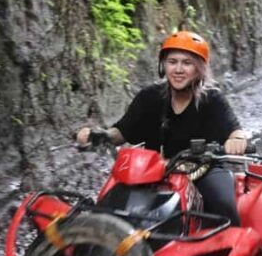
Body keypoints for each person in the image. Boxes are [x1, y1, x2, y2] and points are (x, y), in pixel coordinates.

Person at [76, 30, 247, 226]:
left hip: (203, 169)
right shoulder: (150, 97)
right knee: (108, 208)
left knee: (224, 207)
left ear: (199, 68)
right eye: (172, 62)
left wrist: (237, 141)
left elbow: (235, 130)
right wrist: (99, 135)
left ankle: (225, 251)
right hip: (153, 172)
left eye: (187, 63)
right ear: (163, 65)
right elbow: (121, 132)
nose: (178, 69)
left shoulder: (212, 99)